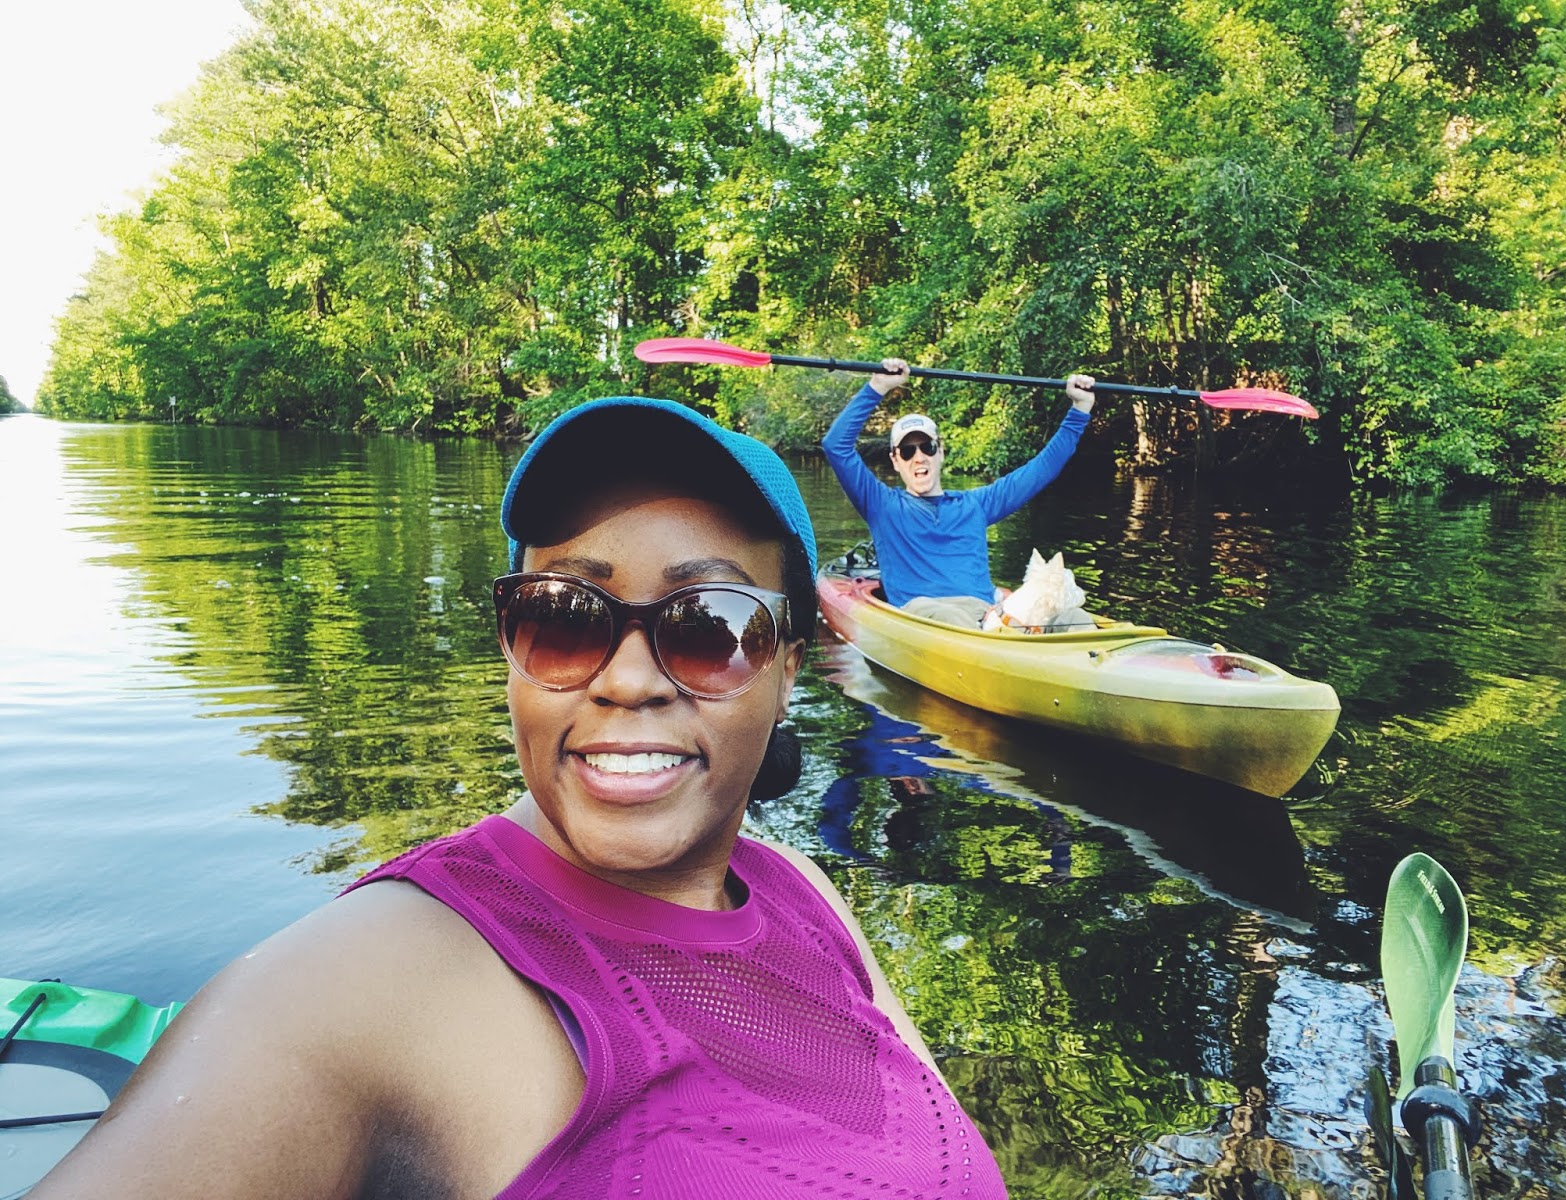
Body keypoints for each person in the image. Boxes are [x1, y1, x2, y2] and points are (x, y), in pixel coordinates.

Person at [32, 395, 1007, 1200]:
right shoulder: (371, 981)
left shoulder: (806, 894)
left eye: (709, 624)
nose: (626, 680)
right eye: (564, 616)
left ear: (788, 666)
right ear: (511, 646)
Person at [821, 358, 1096, 626]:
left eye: (926, 447)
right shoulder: (881, 505)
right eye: (907, 451)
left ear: (940, 452)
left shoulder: (977, 504)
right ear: (895, 461)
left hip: (985, 616)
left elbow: (1042, 468)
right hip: (923, 615)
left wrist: (1079, 410)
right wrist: (878, 386)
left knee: (1074, 618)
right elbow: (836, 446)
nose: (918, 458)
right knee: (946, 615)